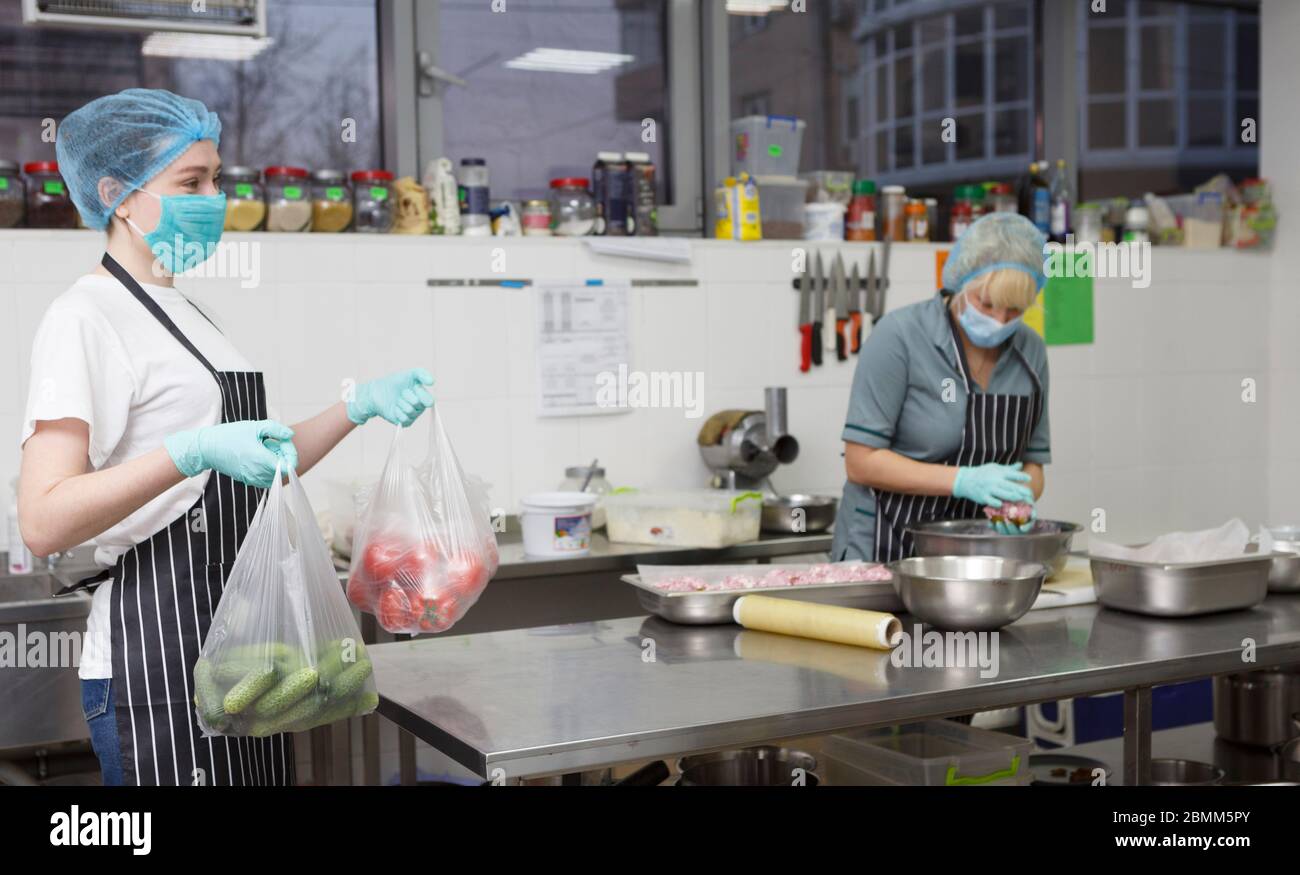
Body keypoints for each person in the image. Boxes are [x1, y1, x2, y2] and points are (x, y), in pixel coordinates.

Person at [17, 89, 434, 786]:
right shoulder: (84, 318)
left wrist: (357, 406)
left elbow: (262, 462)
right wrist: (190, 452)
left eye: (216, 177)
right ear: (118, 193)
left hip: (240, 652)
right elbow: (42, 518)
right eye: (192, 182)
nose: (216, 197)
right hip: (157, 657)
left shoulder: (186, 312)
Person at [830, 212, 1051, 563]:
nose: (998, 320)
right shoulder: (899, 337)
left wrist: (1019, 498)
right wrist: (962, 480)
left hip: (973, 558)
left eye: (1013, 311)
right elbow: (861, 462)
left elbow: (1033, 464)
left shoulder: (1031, 351)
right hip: (884, 549)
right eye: (987, 304)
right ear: (961, 282)